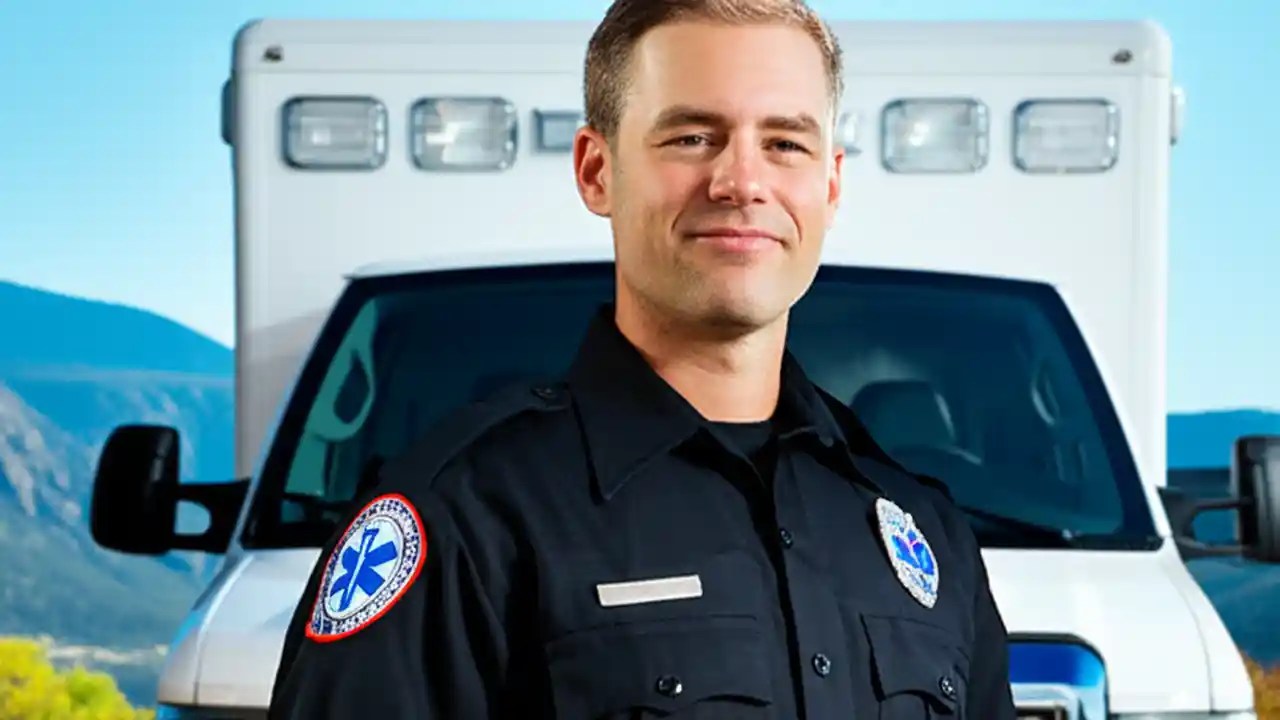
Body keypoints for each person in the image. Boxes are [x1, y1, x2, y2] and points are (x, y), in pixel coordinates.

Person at [268, 0, 1019, 717]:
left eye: (785, 144)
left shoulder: (927, 533)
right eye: (691, 137)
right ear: (596, 171)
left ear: (830, 184)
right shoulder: (461, 516)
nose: (742, 182)